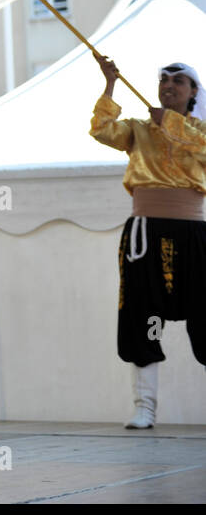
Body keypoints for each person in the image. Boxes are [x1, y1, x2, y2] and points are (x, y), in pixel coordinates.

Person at [90, 54, 206, 428]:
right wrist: (109, 83)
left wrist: (170, 122)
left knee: (205, 313)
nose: (168, 85)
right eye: (164, 79)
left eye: (178, 81)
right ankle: (145, 408)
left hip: (193, 235)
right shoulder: (139, 129)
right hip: (145, 233)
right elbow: (102, 130)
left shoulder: (201, 132)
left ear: (192, 93)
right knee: (144, 314)